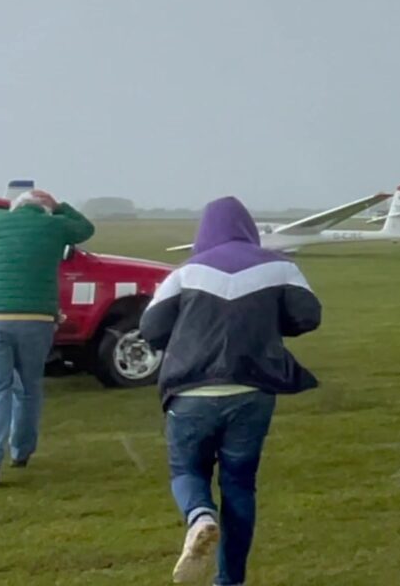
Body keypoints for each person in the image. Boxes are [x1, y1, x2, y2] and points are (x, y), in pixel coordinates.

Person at [139, 196, 322, 586]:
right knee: (239, 484)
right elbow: (309, 315)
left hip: (190, 391)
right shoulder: (281, 267)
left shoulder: (184, 272)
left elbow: (151, 329)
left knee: (187, 469)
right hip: (252, 391)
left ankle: (199, 515)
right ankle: (231, 579)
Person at [0, 187, 96, 486]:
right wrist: (60, 205)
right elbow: (86, 229)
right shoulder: (54, 225)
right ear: (44, 209)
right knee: (28, 386)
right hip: (37, 317)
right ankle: (22, 450)